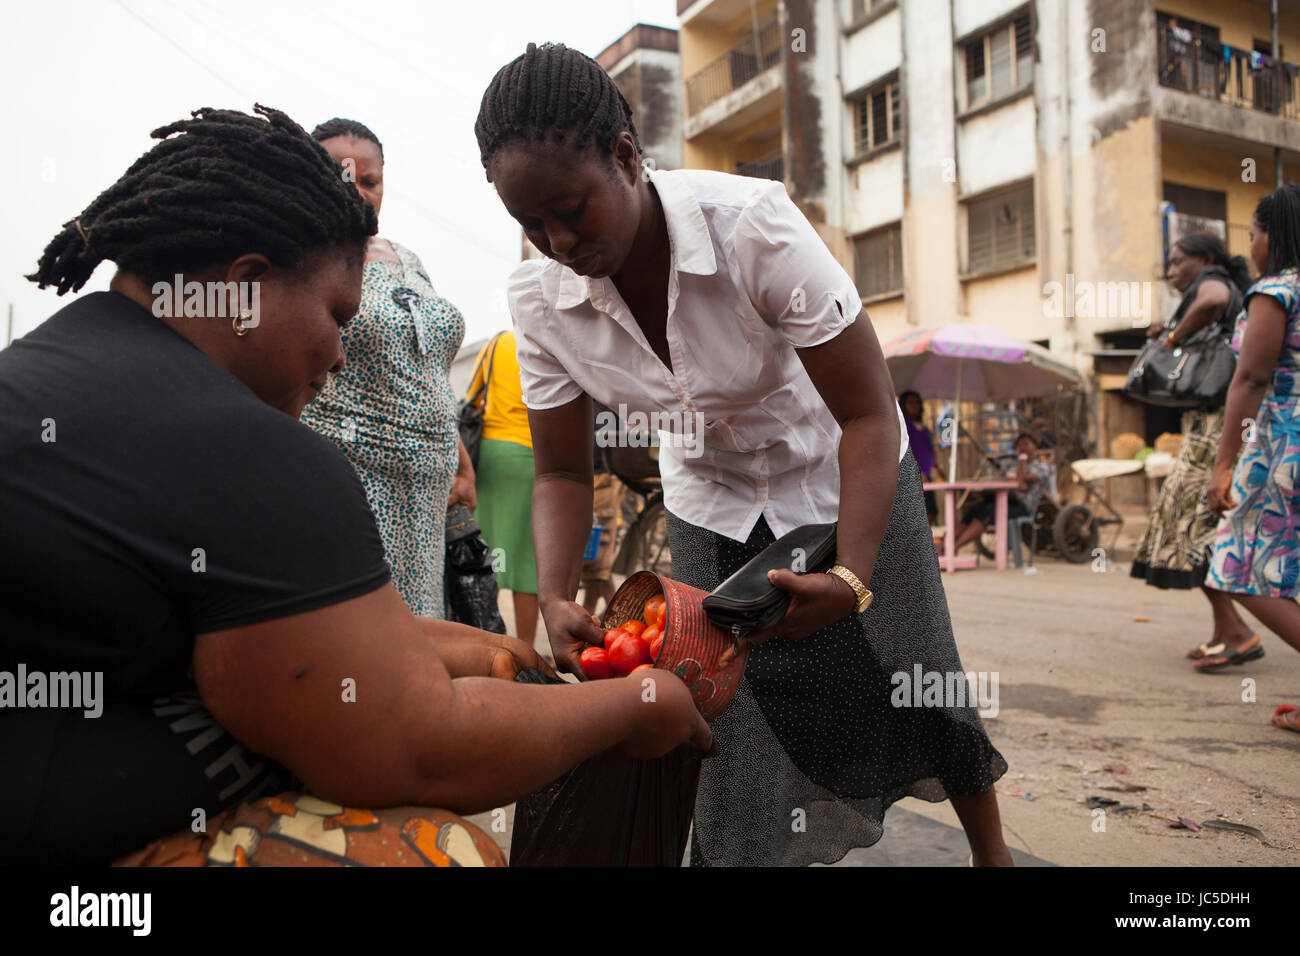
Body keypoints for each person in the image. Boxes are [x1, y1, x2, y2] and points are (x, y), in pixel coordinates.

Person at [0, 105, 709, 866]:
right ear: (243, 290)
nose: (340, 356)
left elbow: (306, 635)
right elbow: (416, 748)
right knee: (436, 850)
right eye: (339, 317)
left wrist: (497, 652)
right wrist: (636, 705)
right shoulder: (245, 448)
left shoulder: (67, 371)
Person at [475, 43, 1011, 866]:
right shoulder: (540, 304)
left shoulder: (751, 227)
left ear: (625, 157)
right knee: (715, 700)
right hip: (711, 494)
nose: (556, 241)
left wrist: (854, 573)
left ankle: (992, 857)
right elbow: (560, 470)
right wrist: (551, 594)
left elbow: (869, 414)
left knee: (917, 670)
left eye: (571, 211)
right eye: (530, 224)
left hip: (841, 467)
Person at [300, 118, 474, 618]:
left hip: (431, 479)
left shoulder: (408, 258)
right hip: (354, 472)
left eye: (368, 181)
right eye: (340, 177)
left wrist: (460, 460)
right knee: (368, 626)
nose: (356, 192)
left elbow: (429, 364)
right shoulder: (300, 262)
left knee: (425, 621)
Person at [1126, 233, 1257, 668]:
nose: (1170, 271)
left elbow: (1213, 298)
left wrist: (1171, 340)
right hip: (1210, 425)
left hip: (1215, 430)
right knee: (1194, 528)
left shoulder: (1213, 281)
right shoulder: (1226, 291)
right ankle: (1226, 630)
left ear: (1204, 259)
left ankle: (1237, 631)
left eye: (1178, 261)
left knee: (1192, 527)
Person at [1206, 184, 1300, 731]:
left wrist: (1223, 465)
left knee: (1242, 572)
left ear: (1273, 235)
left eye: (1253, 235)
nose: (1252, 246)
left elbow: (1252, 378)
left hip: (1283, 445)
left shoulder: (1275, 292)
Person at [467, 329, 542, 645]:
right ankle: (525, 651)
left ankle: (488, 645)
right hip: (529, 454)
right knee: (526, 561)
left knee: (489, 553)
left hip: (490, 455)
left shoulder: (495, 343)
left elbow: (473, 395)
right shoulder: (544, 340)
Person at [943, 432, 1051, 556]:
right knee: (974, 510)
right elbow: (1010, 480)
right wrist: (1018, 479)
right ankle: (945, 544)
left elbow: (1020, 483)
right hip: (1005, 499)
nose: (1023, 448)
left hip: (1023, 506)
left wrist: (1022, 461)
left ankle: (953, 547)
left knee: (988, 512)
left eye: (1026, 444)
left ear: (1035, 446)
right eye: (1020, 445)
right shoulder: (1011, 464)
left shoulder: (1042, 467)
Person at [899, 389, 944, 525]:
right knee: (921, 512)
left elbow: (929, 450)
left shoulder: (923, 428)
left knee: (931, 512)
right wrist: (917, 471)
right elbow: (905, 449)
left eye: (917, 402)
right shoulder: (905, 426)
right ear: (903, 405)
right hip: (913, 475)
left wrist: (938, 468)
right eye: (911, 402)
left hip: (927, 474)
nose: (915, 405)